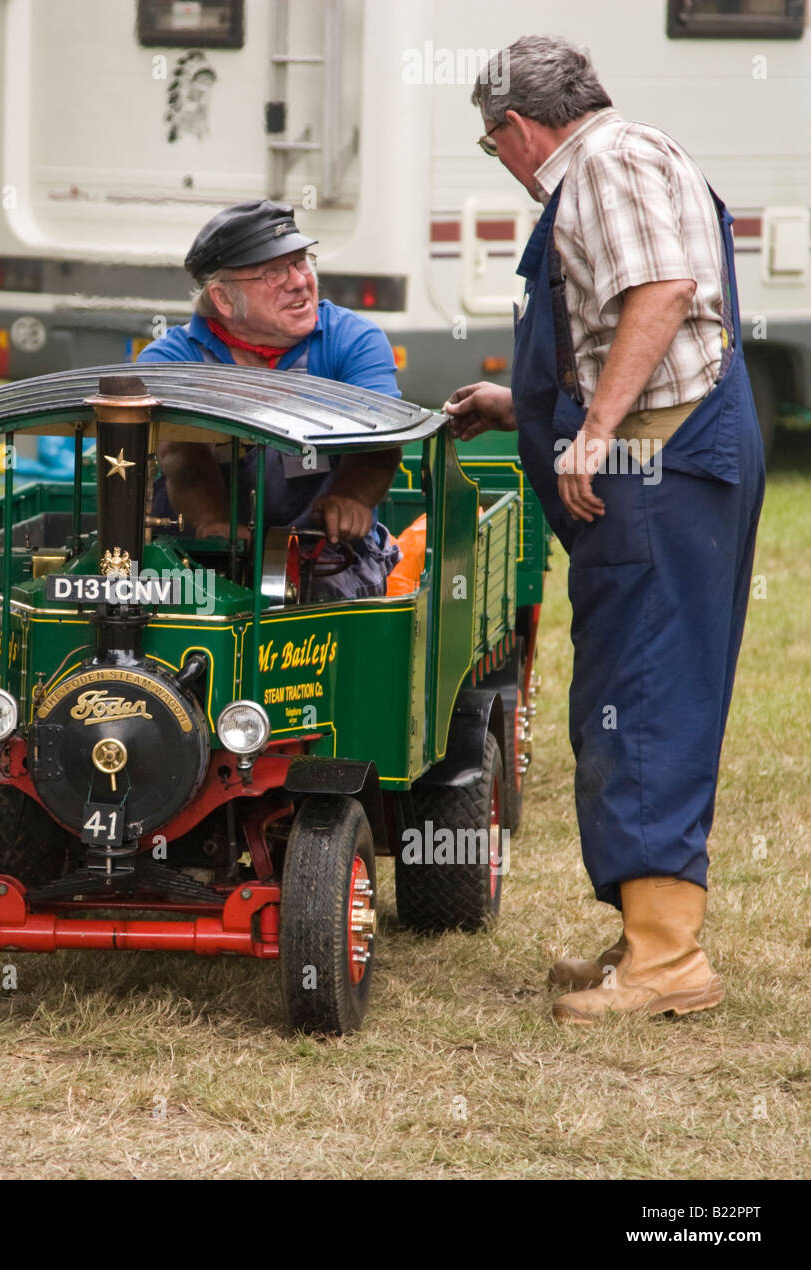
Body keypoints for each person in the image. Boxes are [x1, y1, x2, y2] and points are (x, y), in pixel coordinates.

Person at [446, 37, 764, 1022]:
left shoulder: (608, 161)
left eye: (489, 139)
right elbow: (620, 321)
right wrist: (523, 404)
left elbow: (661, 295)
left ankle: (668, 962)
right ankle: (643, 933)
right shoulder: (609, 160)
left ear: (516, 127)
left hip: (657, 469)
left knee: (648, 693)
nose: (496, 156)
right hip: (651, 461)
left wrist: (587, 431)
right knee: (622, 692)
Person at [139, 199, 404, 597]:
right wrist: (212, 520)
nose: (299, 281)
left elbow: (381, 443)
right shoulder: (172, 361)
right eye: (274, 273)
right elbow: (180, 454)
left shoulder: (354, 341)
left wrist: (350, 498)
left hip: (326, 553)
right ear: (224, 299)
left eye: (302, 262)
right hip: (198, 556)